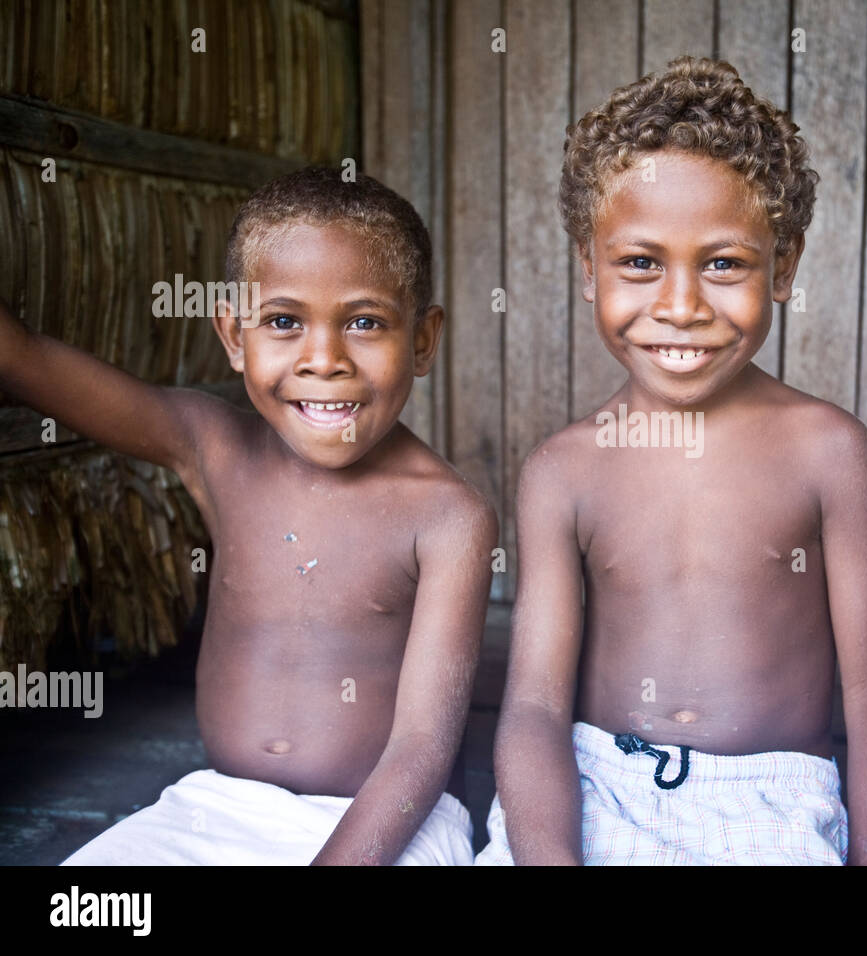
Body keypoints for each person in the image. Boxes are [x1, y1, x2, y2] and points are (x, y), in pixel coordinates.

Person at [0, 165, 495, 865]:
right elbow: (23, 360)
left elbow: (420, 751)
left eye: (363, 322)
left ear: (421, 339)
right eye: (284, 321)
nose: (324, 360)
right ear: (234, 335)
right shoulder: (215, 448)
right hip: (215, 807)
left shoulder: (449, 517)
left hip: (388, 826)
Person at [477, 57, 867, 865]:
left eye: (724, 263)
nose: (680, 306)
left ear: (786, 265)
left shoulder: (829, 452)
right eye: (640, 263)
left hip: (770, 806)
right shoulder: (563, 472)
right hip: (595, 790)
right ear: (588, 265)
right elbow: (531, 708)